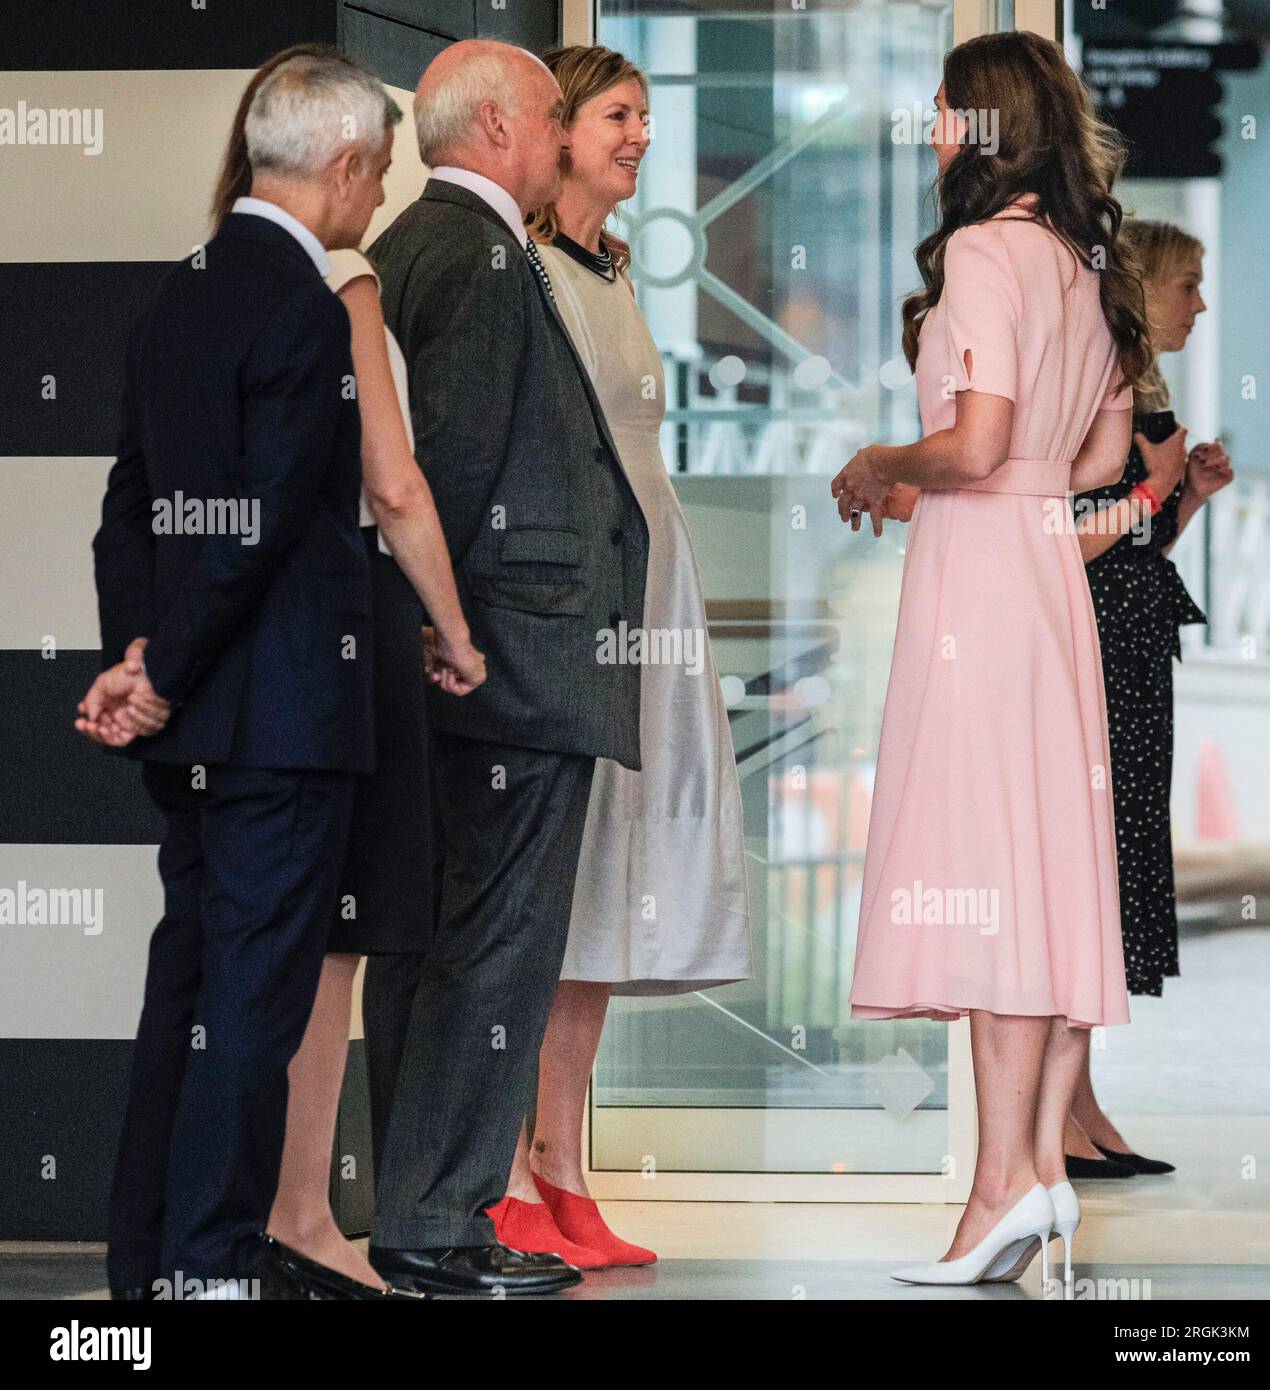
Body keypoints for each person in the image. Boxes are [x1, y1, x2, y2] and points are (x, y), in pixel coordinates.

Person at [832, 30, 1150, 1287]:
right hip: (1043, 576)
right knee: (1028, 876)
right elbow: (1088, 464)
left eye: (944, 113)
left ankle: (1000, 1187)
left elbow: (973, 444)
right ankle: (1022, 1180)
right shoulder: (1084, 263)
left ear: (981, 128)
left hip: (978, 583)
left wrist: (879, 467)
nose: (931, 128)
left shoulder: (979, 252)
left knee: (981, 865)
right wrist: (982, 485)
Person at [78, 48, 394, 1299]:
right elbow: (262, 519)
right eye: (377, 174)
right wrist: (169, 662)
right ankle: (211, 1267)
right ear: (347, 164)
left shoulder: (180, 294)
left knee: (189, 989)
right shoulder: (303, 304)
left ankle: (146, 1263)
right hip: (282, 719)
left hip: (198, 714)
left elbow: (130, 507)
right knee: (253, 1006)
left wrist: (140, 658)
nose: (374, 200)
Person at [360, 39, 650, 1298]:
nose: (557, 133)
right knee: (493, 942)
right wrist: (459, 630)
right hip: (511, 660)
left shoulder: (426, 244)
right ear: (493, 130)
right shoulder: (475, 254)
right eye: (547, 114)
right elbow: (461, 467)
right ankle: (438, 1223)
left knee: (448, 937)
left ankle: (427, 1207)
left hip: (489, 653)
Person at [198, 45, 486, 1299]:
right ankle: (302, 1213)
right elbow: (395, 480)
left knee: (269, 942)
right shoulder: (347, 276)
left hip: (252, 646)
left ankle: (262, 1214)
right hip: (346, 624)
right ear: (349, 160)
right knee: (329, 945)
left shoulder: (215, 271)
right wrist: (454, 626)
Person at [479, 43, 753, 1271]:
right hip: (572, 608)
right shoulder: (520, 273)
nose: (639, 136)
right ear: (557, 130)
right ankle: (495, 1177)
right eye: (616, 115)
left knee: (608, 882)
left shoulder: (611, 274)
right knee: (546, 889)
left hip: (651, 588)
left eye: (644, 116)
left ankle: (562, 1167)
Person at [1066, 220, 1233, 1179]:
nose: (1198, 306)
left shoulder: (1142, 393)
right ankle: (1062, 1109)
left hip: (1128, 645)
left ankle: (1078, 1099)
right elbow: (1068, 534)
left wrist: (1187, 495)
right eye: (1188, 286)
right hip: (1097, 651)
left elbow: (1134, 550)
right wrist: (1154, 491)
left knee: (1117, 858)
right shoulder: (1102, 388)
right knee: (1095, 863)